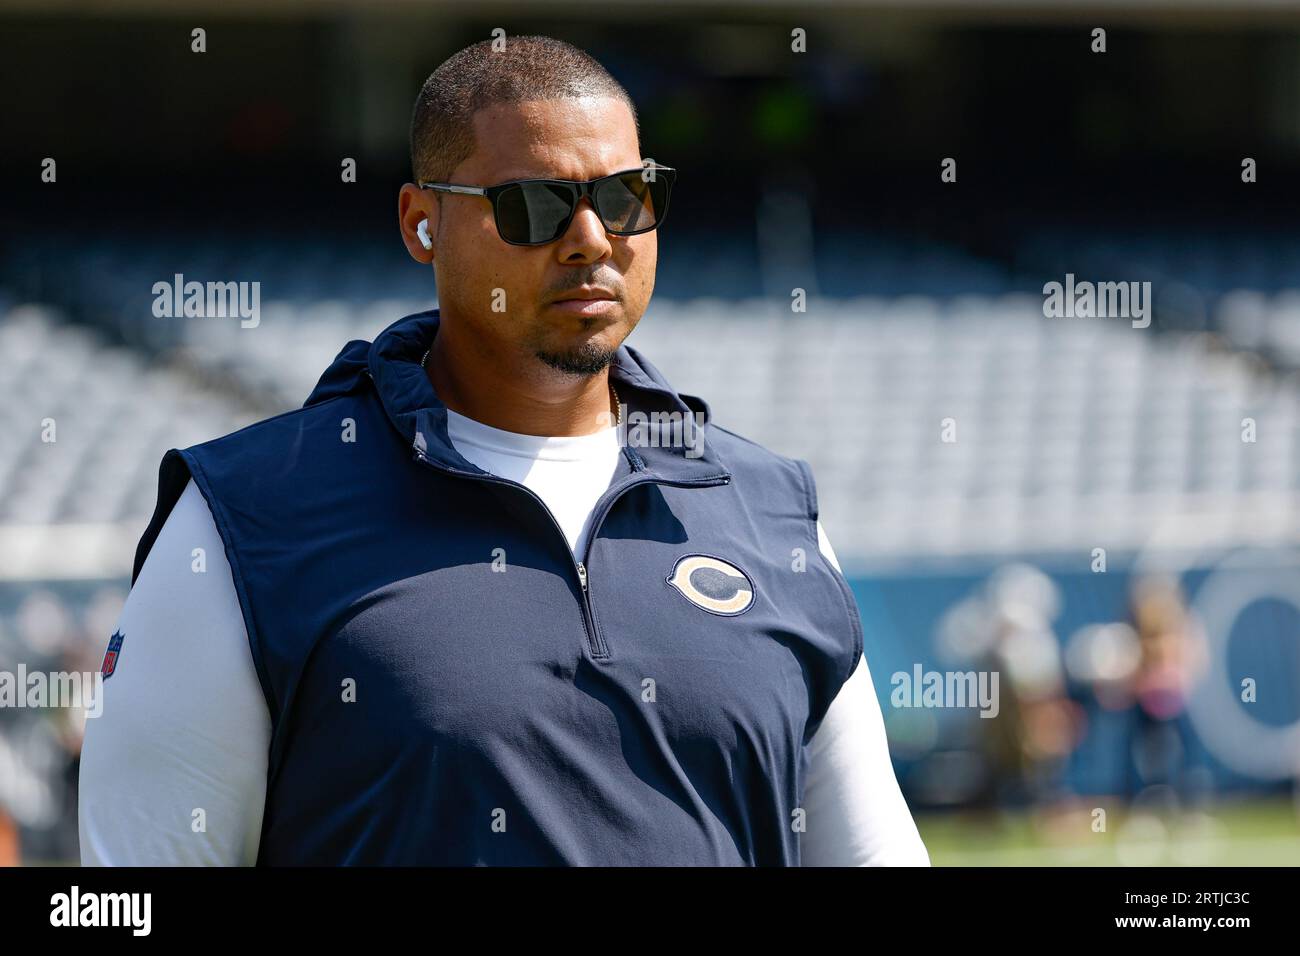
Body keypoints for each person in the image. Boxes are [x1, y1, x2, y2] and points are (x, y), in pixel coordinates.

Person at [79, 35, 928, 866]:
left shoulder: (771, 509)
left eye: (627, 196)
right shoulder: (245, 519)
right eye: (536, 204)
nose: (593, 239)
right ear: (422, 224)